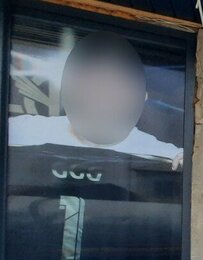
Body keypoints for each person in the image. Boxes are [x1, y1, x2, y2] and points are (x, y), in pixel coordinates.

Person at [8, 31, 183, 169]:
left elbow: (185, 161)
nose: (104, 99)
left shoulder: (158, 151)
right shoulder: (30, 129)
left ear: (140, 99)